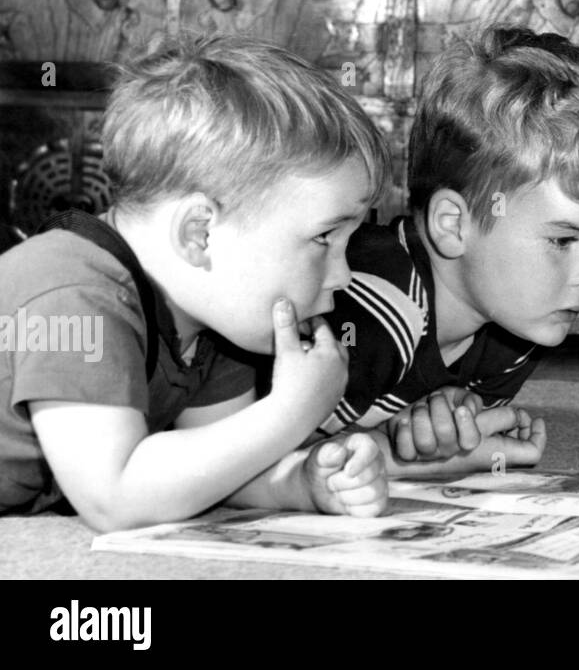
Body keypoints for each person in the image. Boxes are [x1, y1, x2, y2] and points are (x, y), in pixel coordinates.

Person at [0, 33, 392, 530]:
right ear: (199, 233)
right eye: (324, 239)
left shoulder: (212, 321)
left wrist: (304, 481)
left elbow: (214, 465)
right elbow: (115, 496)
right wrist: (290, 412)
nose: (344, 275)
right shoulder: (71, 294)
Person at [316, 25, 579, 478]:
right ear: (454, 225)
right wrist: (398, 455)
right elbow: (262, 462)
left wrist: (443, 433)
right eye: (562, 240)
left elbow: (421, 439)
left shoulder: (515, 332)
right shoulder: (369, 307)